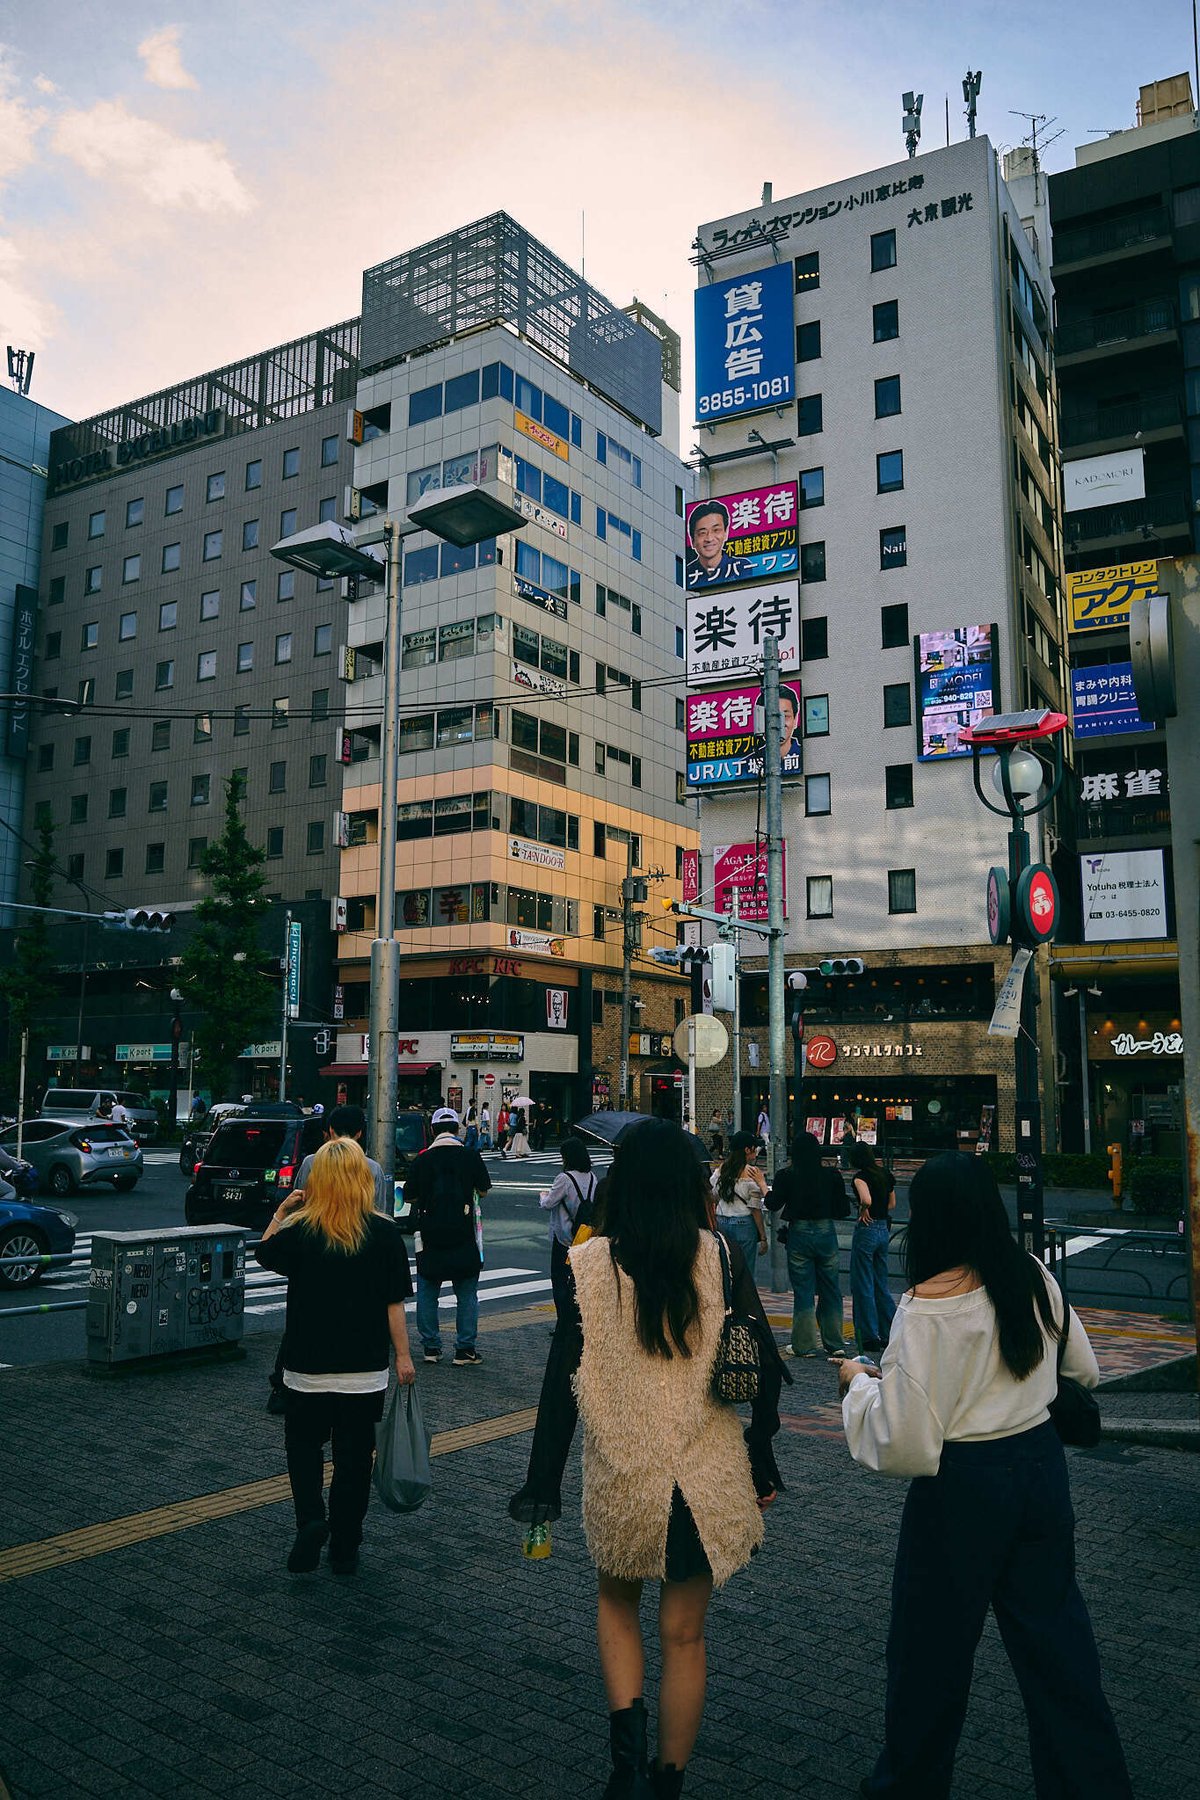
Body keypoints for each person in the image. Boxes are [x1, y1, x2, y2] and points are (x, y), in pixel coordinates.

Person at [840, 1153, 1132, 1800]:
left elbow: (904, 1444)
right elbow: (1083, 1370)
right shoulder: (1029, 1275)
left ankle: (908, 1788)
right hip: (1039, 1471)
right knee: (1059, 1656)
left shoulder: (923, 1311)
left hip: (960, 1491)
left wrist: (857, 1387)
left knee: (929, 1661)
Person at [510, 1121, 787, 1798]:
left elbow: (561, 1384)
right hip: (704, 1474)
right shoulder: (720, 1256)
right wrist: (763, 1458)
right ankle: (668, 1782)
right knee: (685, 1636)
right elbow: (764, 1368)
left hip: (623, 1476)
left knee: (616, 1604)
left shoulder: (589, 1265)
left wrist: (541, 1484)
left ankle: (624, 1768)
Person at [255, 1138, 415, 1575]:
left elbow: (263, 1253)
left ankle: (310, 1519)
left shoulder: (302, 1230)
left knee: (303, 1448)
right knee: (355, 1459)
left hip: (306, 1367)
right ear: (363, 1181)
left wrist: (282, 1211)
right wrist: (403, 1358)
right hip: (365, 1372)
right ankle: (345, 1543)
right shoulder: (383, 1233)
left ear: (317, 1181)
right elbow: (394, 1304)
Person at [266, 1102, 396, 1415]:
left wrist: (283, 1216)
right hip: (358, 1253)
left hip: (314, 1251)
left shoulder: (313, 1162)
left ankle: (283, 1387)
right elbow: (376, 1213)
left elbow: (295, 1211)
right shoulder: (373, 1169)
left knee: (304, 1318)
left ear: (329, 1132)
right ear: (362, 1133)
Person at [402, 1105, 491, 1366]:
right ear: (456, 1129)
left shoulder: (422, 1159)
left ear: (432, 1130)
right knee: (466, 1293)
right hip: (463, 1233)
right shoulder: (470, 1156)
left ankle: (431, 1347)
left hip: (429, 1233)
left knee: (428, 1291)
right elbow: (484, 1190)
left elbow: (409, 1195)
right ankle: (465, 1350)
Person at [767, 1132, 848, 1360]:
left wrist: (765, 1187)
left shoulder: (787, 1175)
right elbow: (843, 1209)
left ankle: (804, 1345)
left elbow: (773, 1203)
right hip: (825, 1231)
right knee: (831, 1288)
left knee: (803, 1291)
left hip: (799, 1232)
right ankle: (835, 1343)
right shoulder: (831, 1175)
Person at [540, 1136, 597, 1321]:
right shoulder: (592, 1177)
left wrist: (542, 1196)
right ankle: (578, 1317)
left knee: (559, 1279)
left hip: (564, 1236)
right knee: (579, 1280)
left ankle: (563, 1321)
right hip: (584, 1236)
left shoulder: (564, 1178)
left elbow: (549, 1204)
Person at [848, 1143, 896, 1353]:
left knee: (863, 1283)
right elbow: (892, 1204)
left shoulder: (860, 1177)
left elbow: (866, 1198)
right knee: (881, 1284)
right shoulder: (885, 1174)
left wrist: (863, 1208)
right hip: (883, 1229)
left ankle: (869, 1336)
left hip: (867, 1229)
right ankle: (890, 1332)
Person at [711, 1131, 769, 1279]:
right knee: (745, 1271)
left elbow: (714, 1197)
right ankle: (745, 1300)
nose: (756, 1150)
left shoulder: (721, 1170)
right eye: (754, 1147)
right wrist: (763, 1237)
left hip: (722, 1221)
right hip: (744, 1223)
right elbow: (755, 1209)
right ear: (747, 1150)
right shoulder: (752, 1173)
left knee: (725, 1268)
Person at [684, 499, 752, 588]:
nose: (709, 538)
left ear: (725, 533)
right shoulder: (685, 575)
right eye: (702, 533)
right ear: (692, 540)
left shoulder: (742, 567)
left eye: (716, 530)